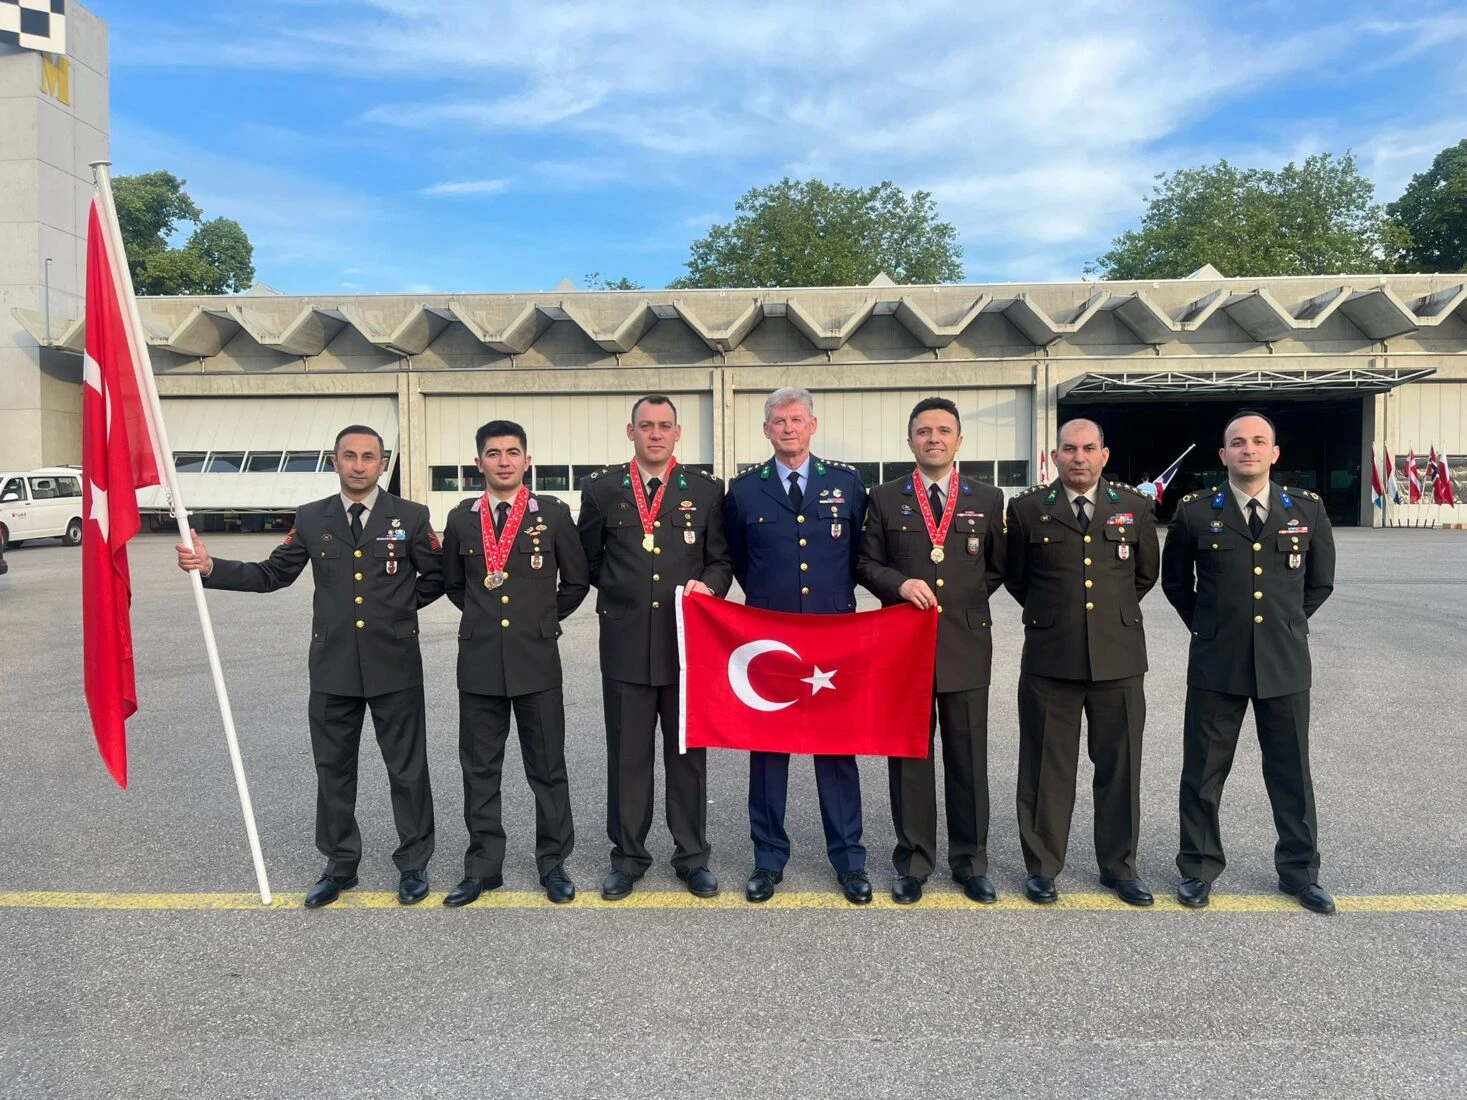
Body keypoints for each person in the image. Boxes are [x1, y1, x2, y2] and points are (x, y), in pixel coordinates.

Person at [176, 425, 443, 908]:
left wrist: (398, 612)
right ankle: (341, 865)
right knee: (333, 771)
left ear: (384, 464)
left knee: (407, 770)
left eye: (369, 457)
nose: (359, 465)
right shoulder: (312, 517)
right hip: (333, 666)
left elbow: (439, 576)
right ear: (334, 461)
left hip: (395, 664)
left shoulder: (411, 516)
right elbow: (274, 574)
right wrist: (211, 567)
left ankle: (413, 864)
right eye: (349, 456)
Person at [1161, 412, 1337, 914]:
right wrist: (1211, 627)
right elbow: (1176, 583)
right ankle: (1197, 867)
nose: (1249, 450)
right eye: (1237, 443)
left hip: (1283, 663)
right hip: (1217, 661)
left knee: (1291, 772)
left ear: (1275, 453)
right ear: (1223, 456)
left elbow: (1319, 583)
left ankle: (1300, 872)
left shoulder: (1307, 509)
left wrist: (1280, 626)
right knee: (1203, 770)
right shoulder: (1196, 512)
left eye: (1259, 442)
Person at [577, 395, 732, 901]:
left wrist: (709, 586)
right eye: (647, 426)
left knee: (688, 756)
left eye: (665, 426)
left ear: (677, 433)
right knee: (628, 756)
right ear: (631, 432)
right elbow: (589, 561)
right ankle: (628, 857)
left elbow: (720, 560)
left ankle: (691, 857)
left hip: (687, 647)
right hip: (624, 643)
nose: (656, 434)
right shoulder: (602, 489)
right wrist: (627, 593)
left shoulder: (706, 491)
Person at [724, 387, 872, 905]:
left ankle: (849, 860)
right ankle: (768, 860)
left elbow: (858, 558)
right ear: (766, 430)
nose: (787, 428)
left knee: (836, 750)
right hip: (771, 639)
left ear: (813, 425)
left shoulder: (847, 484)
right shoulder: (744, 492)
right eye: (778, 421)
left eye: (796, 419)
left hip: (832, 640)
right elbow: (740, 561)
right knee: (768, 752)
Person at [1004, 418, 1159, 907]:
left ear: (1104, 455)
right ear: (1055, 456)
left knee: (1120, 767)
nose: (1079, 457)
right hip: (1052, 658)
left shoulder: (1133, 507)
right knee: (1047, 769)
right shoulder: (1029, 509)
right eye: (1069, 449)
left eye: (1088, 448)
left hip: (1118, 658)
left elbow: (1144, 575)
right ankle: (1043, 868)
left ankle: (1120, 867)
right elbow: (1016, 578)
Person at [857, 397, 1006, 905]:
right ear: (910, 441)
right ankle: (914, 861)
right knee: (910, 760)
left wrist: (961, 602)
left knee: (968, 761)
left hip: (965, 645)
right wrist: (898, 585)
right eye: (924, 431)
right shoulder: (883, 497)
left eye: (944, 430)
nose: (934, 438)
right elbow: (865, 563)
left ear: (959, 441)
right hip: (905, 648)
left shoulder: (987, 498)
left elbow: (996, 568)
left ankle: (971, 862)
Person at [440, 420, 590, 907]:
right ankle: (484, 867)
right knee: (480, 769)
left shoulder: (554, 514)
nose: (503, 460)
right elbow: (455, 585)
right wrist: (487, 620)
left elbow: (576, 580)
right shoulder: (462, 518)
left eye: (512, 452)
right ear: (478, 462)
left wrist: (541, 619)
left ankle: (553, 864)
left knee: (547, 768)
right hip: (480, 661)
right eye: (493, 453)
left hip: (536, 659)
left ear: (527, 460)